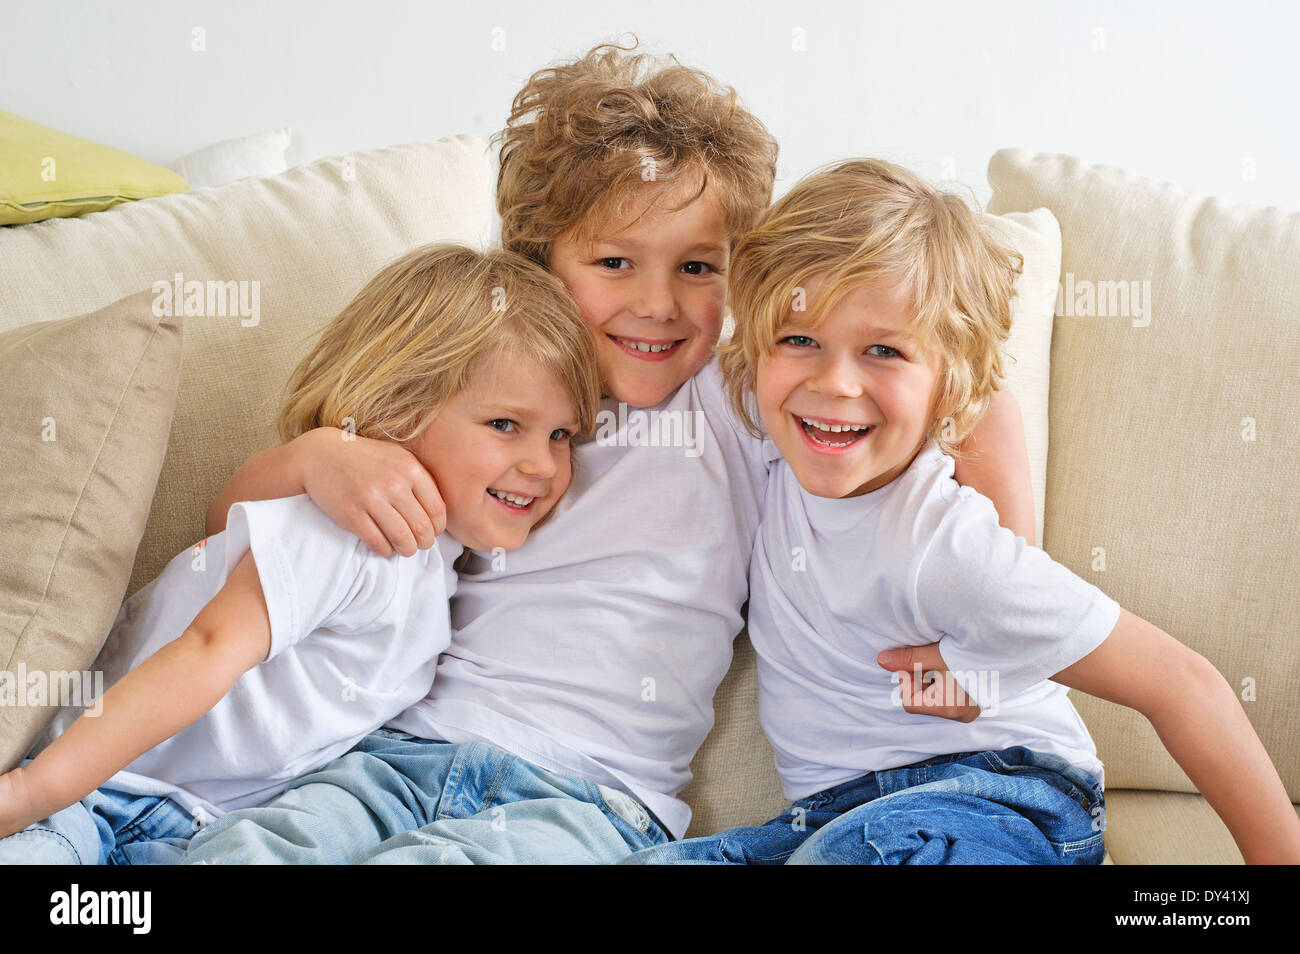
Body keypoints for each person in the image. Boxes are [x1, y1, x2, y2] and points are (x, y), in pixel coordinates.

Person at [180, 42, 1032, 865]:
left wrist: (990, 638)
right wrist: (322, 458)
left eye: (699, 266)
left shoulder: (740, 396)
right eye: (615, 262)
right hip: (390, 757)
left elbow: (977, 396)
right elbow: (242, 532)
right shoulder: (476, 387)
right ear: (541, 260)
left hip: (593, 801)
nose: (657, 304)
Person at [627, 158, 1300, 864]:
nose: (833, 381)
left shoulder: (945, 547)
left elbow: (1181, 683)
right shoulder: (772, 434)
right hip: (833, 818)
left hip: (994, 798)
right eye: (800, 340)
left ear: (948, 385)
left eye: (882, 350)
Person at [0, 244, 598, 864]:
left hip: (195, 830)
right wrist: (32, 792)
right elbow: (208, 648)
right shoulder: (349, 536)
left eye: (562, 435)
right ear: (399, 408)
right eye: (505, 424)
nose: (542, 465)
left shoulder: (435, 571)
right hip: (93, 795)